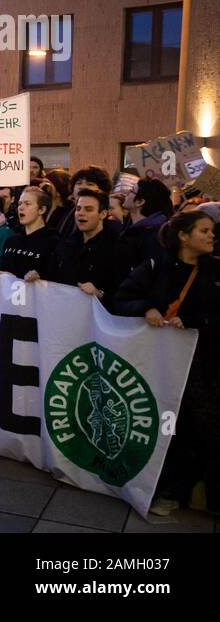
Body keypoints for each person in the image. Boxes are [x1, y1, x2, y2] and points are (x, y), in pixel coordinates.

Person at [114, 211, 218, 515]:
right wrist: (146, 308)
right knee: (172, 425)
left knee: (207, 427)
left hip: (207, 366)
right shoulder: (156, 267)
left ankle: (205, 491)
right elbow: (123, 297)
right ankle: (172, 489)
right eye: (204, 230)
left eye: (212, 231)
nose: (211, 236)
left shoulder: (214, 270)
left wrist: (198, 321)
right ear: (184, 236)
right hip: (163, 363)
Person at [53, 189, 133, 309]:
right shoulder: (66, 244)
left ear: (103, 214)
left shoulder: (118, 248)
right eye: (78, 208)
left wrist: (98, 293)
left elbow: (123, 294)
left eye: (88, 209)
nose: (81, 213)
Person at [0, 186, 61, 281]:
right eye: (20, 204)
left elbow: (58, 281)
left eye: (27, 204)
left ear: (42, 210)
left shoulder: (54, 242)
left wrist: (40, 277)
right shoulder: (11, 240)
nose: (21, 208)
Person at [122, 178, 172, 270]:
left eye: (131, 191)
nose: (127, 193)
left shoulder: (156, 236)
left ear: (140, 202)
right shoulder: (128, 226)